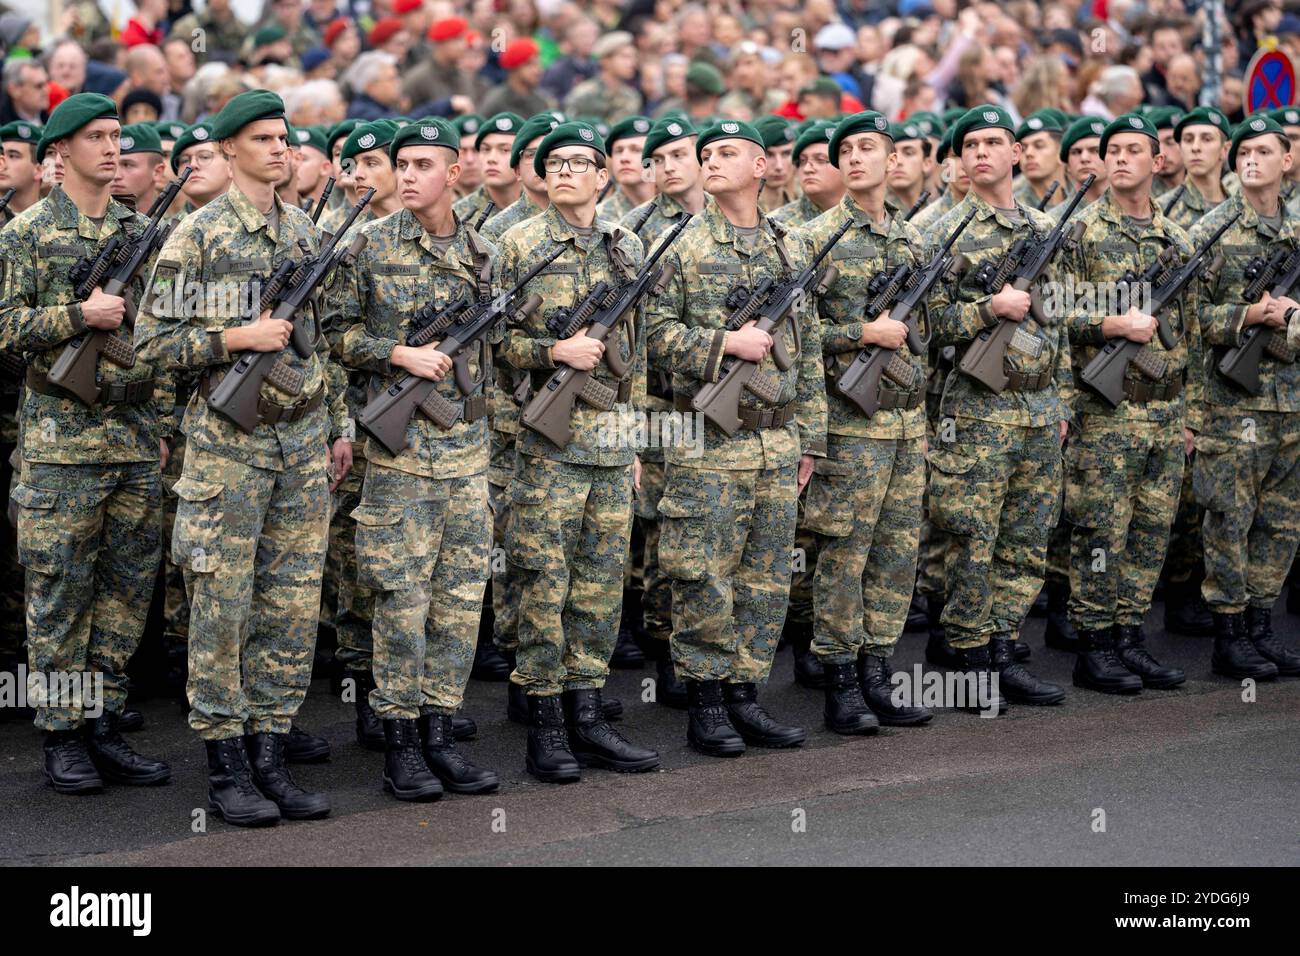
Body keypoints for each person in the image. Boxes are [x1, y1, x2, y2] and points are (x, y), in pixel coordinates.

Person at [137, 90, 352, 827]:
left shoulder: (303, 231)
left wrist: (337, 426)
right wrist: (233, 339)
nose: (279, 149)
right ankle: (226, 767)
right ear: (227, 151)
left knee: (290, 607)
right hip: (229, 451)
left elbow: (319, 344)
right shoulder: (195, 238)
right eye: (262, 139)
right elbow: (151, 346)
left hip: (300, 445)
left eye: (284, 138)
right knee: (222, 608)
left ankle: (271, 753)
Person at [0, 93, 172, 795]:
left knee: (125, 593)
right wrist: (81, 313)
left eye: (117, 137)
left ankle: (102, 721)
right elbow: (7, 328)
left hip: (132, 439)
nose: (110, 148)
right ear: (61, 151)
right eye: (96, 137)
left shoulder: (146, 231)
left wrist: (160, 424)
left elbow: (165, 335)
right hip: (62, 445)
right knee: (61, 593)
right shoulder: (28, 233)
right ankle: (61, 735)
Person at [645, 120, 827, 757]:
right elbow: (652, 341)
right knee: (704, 577)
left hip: (776, 443)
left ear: (760, 166)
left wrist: (811, 437)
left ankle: (748, 696)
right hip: (707, 444)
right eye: (707, 154)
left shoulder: (790, 245)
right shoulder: (679, 247)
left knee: (766, 578)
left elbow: (808, 352)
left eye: (727, 153)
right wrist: (723, 342)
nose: (712, 161)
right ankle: (707, 702)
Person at [332, 117, 500, 799]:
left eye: (421, 165)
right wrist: (394, 353)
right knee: (402, 600)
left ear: (453, 174)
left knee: (459, 600)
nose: (404, 176)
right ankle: (399, 741)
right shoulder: (366, 246)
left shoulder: (487, 252)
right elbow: (332, 337)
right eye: (398, 164)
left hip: (465, 452)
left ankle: (440, 730)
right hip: (399, 458)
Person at [495, 121, 659, 783]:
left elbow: (637, 354)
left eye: (578, 162)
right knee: (544, 587)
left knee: (598, 590)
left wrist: (638, 436)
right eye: (553, 163)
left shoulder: (629, 245)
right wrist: (552, 353)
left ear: (602, 177)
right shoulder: (518, 244)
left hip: (612, 447)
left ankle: (588, 717)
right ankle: (546, 727)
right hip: (547, 448)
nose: (564, 171)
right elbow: (493, 343)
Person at [926, 105, 1073, 712]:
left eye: (994, 142)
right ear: (959, 162)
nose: (981, 153)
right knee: (971, 538)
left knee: (1026, 538)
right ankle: (966, 656)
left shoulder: (1045, 228)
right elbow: (927, 326)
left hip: (1038, 410)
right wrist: (987, 311)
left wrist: (1061, 398)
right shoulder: (944, 234)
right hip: (977, 413)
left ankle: (1003, 646)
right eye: (970, 146)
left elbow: (1057, 323)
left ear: (1016, 153)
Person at [804, 111, 933, 730]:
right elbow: (798, 337)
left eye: (868, 148)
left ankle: (880, 670)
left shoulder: (914, 242)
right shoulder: (818, 238)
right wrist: (862, 332)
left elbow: (930, 337)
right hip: (849, 425)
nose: (855, 158)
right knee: (844, 554)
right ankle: (840, 679)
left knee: (896, 552)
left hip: (906, 426)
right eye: (846, 149)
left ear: (892, 159)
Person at [1061, 112, 1195, 695]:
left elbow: (1183, 337)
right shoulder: (1083, 232)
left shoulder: (1178, 240)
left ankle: (1130, 633)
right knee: (1099, 530)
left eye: (1132, 151)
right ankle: (1094, 642)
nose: (1117, 159)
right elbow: (1055, 315)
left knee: (1149, 529)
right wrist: (1112, 322)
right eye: (1110, 150)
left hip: (1165, 411)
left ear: (1157, 162)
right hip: (1106, 409)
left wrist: (1188, 415)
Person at [1187, 116, 1300, 680]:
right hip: (1234, 405)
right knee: (1230, 519)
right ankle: (1229, 632)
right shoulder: (1213, 231)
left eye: (1266, 150)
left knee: (1282, 522)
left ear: (1288, 160)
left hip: (1293, 402)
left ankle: (1261, 626)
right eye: (1245, 151)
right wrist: (1249, 315)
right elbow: (1186, 321)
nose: (1253, 160)